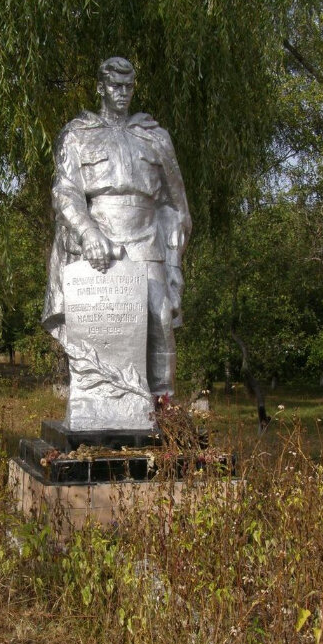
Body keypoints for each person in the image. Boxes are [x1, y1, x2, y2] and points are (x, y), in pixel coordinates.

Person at [42, 56, 191, 398]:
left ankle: (163, 409)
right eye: (115, 86)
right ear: (101, 88)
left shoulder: (155, 138)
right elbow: (65, 192)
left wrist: (173, 261)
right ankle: (100, 403)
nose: (122, 93)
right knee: (101, 330)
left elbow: (174, 203)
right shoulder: (78, 135)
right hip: (99, 243)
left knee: (159, 319)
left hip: (146, 241)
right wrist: (88, 232)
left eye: (128, 86)